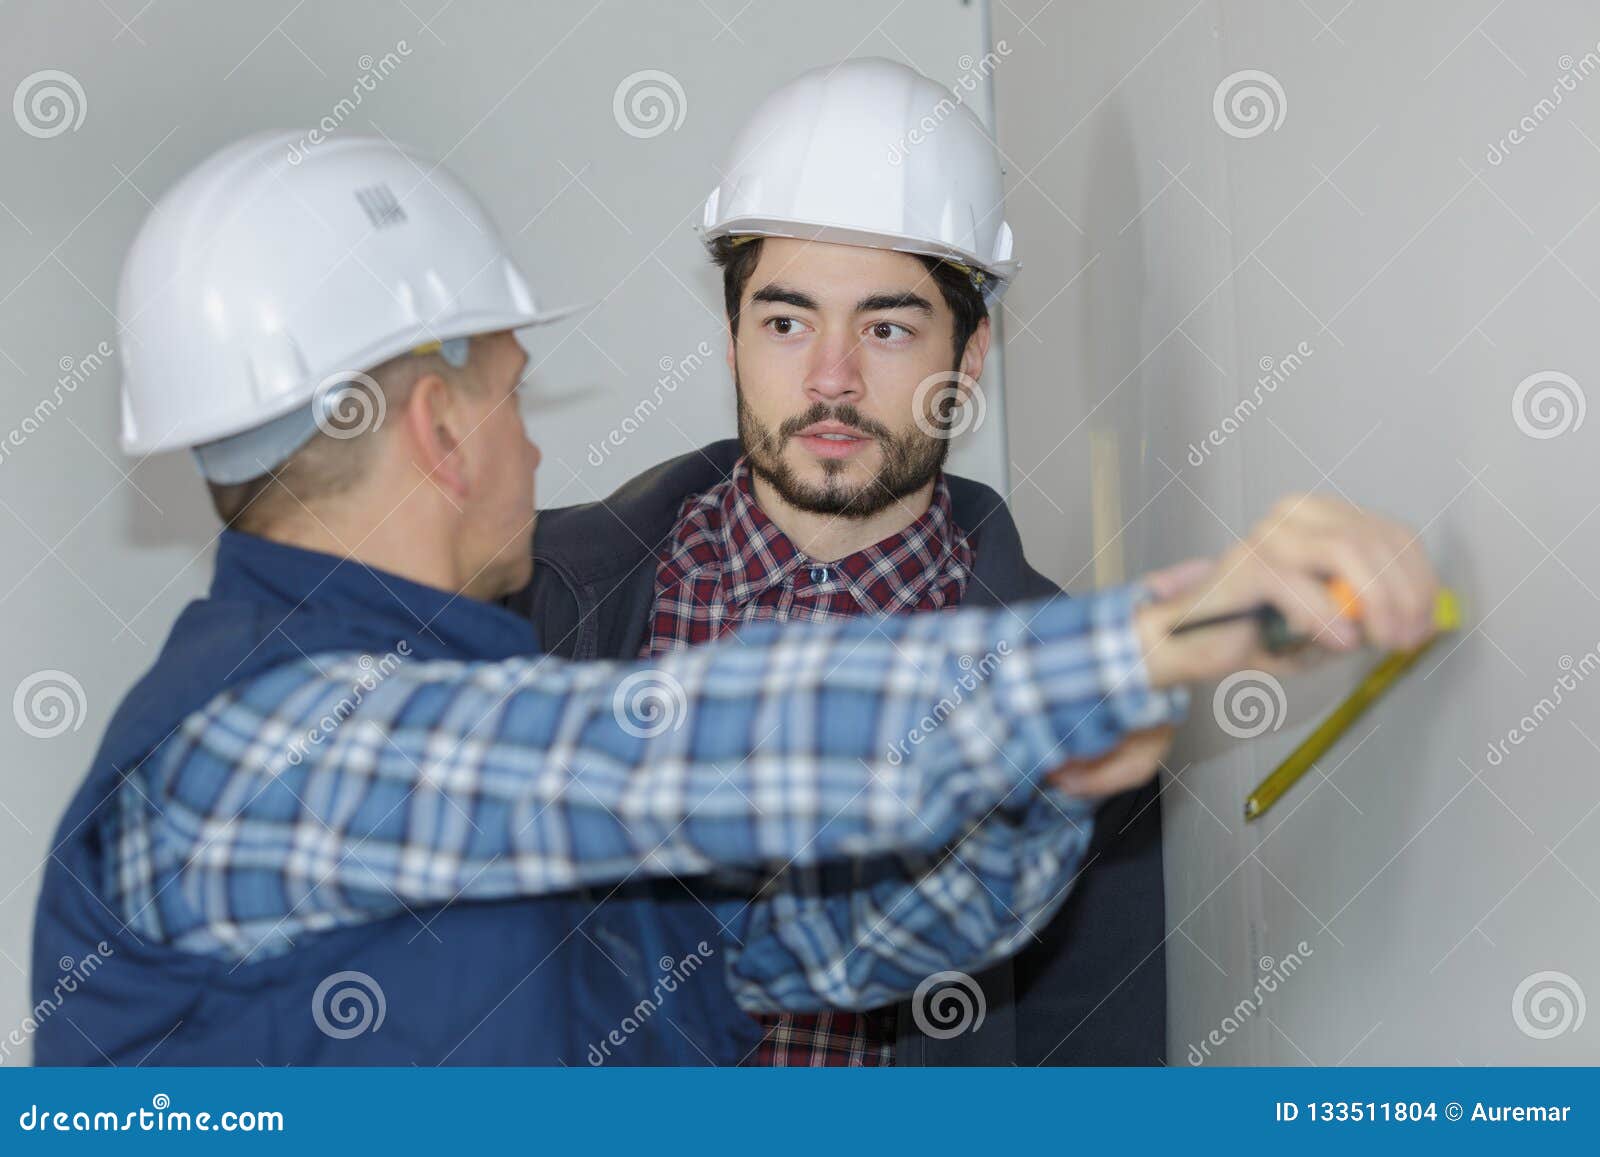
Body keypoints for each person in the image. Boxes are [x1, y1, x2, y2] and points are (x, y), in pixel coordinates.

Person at [32, 130, 1442, 1067]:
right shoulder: (261, 749)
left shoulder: (466, 746)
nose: (534, 446)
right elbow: (665, 750)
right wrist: (1148, 639)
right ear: (438, 431)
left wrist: (1048, 788)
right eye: (516, 400)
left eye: (886, 322)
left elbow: (799, 947)